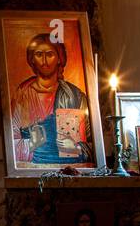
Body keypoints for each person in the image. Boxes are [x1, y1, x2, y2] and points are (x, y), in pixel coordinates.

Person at [11, 33, 91, 164]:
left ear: (59, 58)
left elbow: (93, 144)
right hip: (31, 169)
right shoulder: (22, 95)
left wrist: (76, 148)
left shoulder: (74, 96)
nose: (44, 61)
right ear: (32, 59)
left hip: (70, 171)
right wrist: (36, 142)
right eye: (38, 55)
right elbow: (12, 142)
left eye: (49, 54)